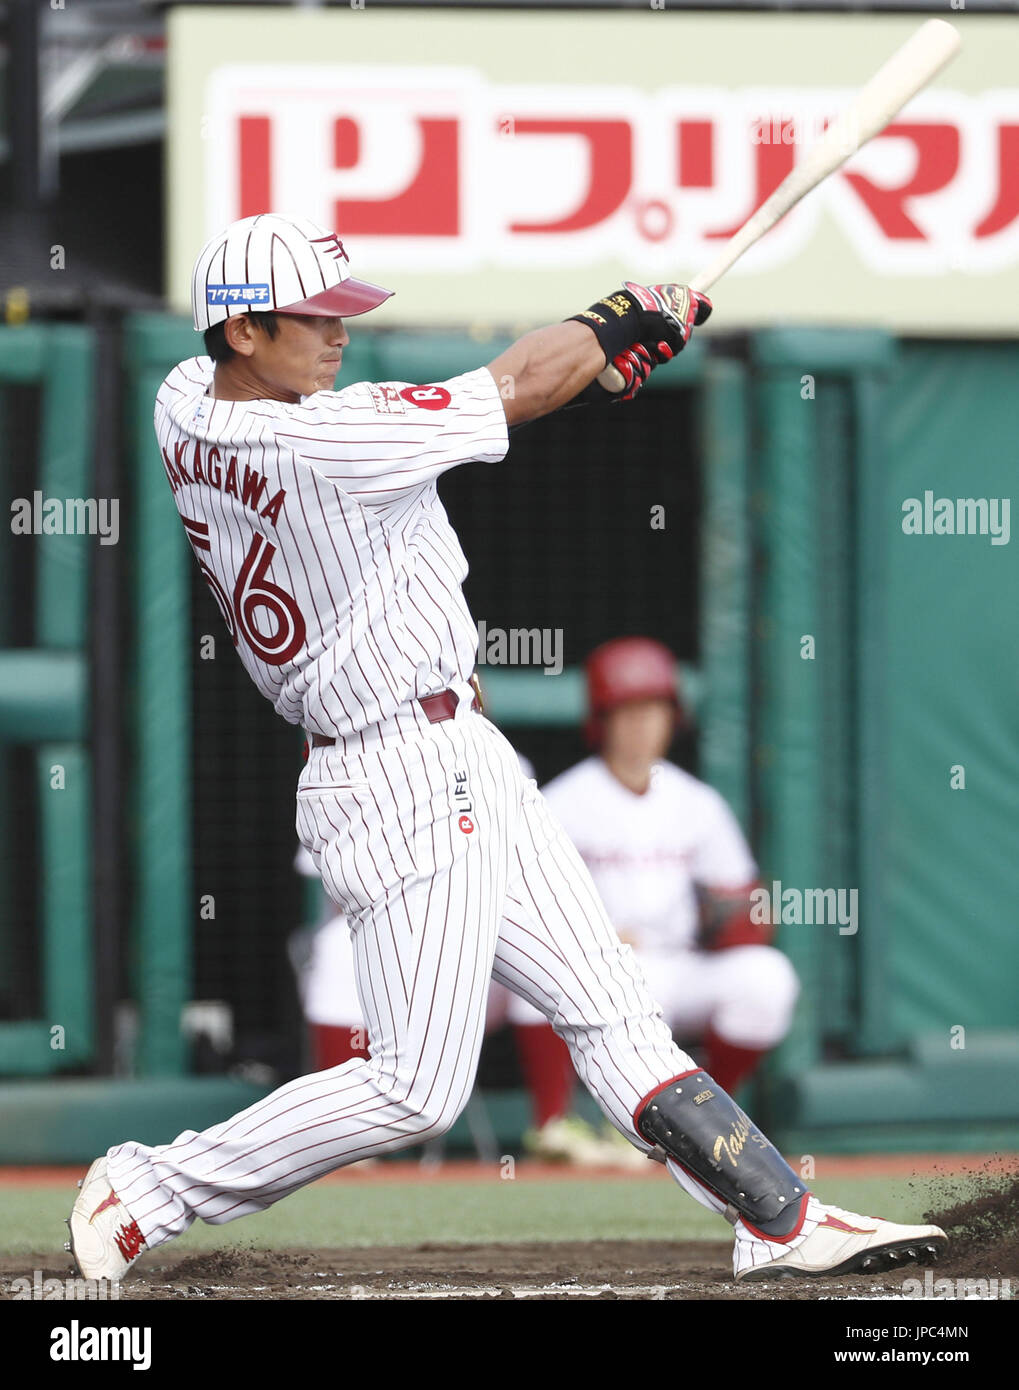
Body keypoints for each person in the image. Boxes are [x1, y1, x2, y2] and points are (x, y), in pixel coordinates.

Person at [66, 213, 945, 1285]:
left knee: (612, 1007)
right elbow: (511, 388)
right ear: (241, 334)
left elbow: (500, 401)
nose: (340, 334)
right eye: (314, 319)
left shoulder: (185, 403)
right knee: (414, 1086)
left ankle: (776, 1215)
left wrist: (593, 369)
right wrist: (623, 316)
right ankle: (153, 1185)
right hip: (392, 766)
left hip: (447, 744)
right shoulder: (323, 439)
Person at [505, 637, 799, 1165]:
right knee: (533, 975)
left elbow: (742, 900)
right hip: (600, 968)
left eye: (655, 710)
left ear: (673, 718)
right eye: (629, 712)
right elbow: (523, 902)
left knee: (767, 978)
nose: (643, 725)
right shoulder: (563, 801)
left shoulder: (697, 802)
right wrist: (592, 936)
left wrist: (743, 920)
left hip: (679, 965)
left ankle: (705, 1126)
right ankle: (552, 1126)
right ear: (602, 720)